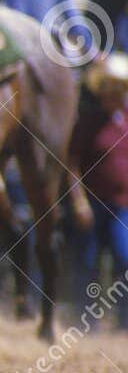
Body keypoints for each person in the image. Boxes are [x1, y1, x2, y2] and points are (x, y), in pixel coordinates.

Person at [69, 53, 128, 330]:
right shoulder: (88, 124)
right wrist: (79, 201)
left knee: (123, 257)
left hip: (123, 205)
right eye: (107, 87)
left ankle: (124, 322)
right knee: (88, 260)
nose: (111, 93)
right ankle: (87, 322)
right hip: (93, 203)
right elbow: (72, 165)